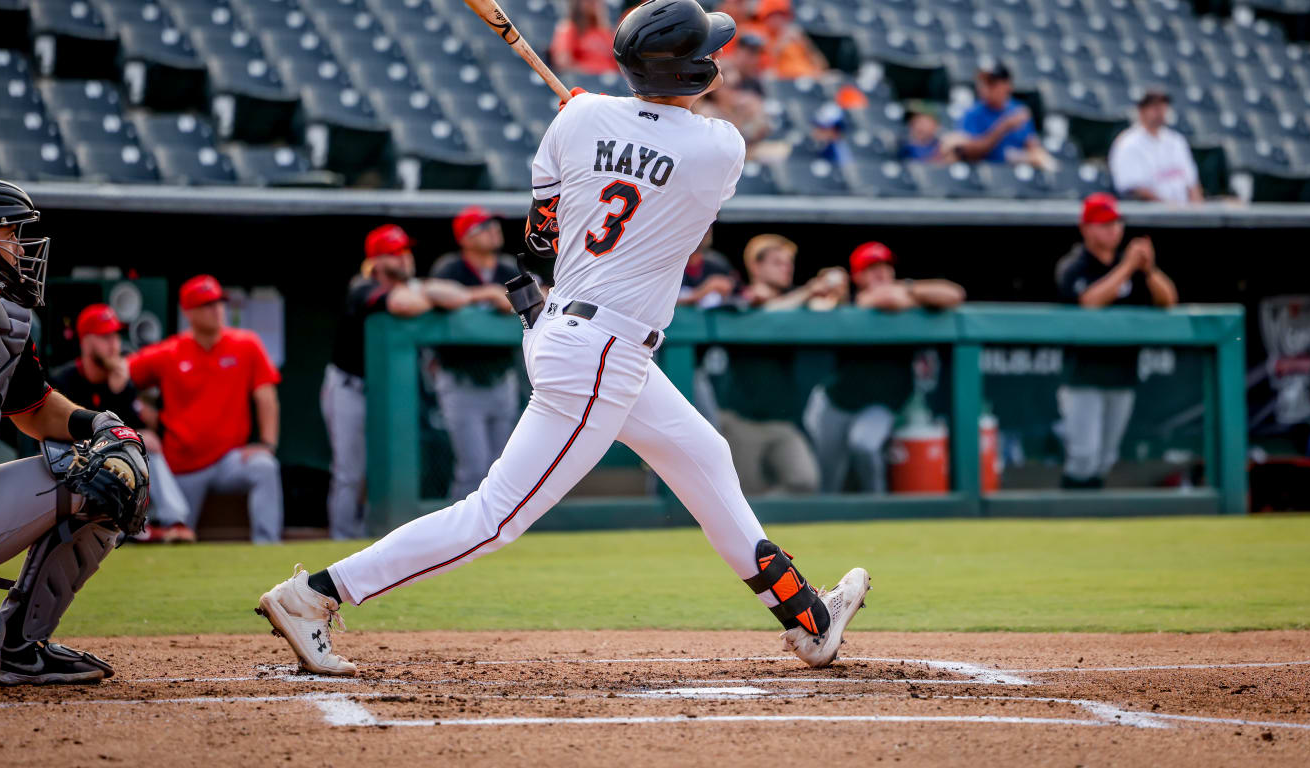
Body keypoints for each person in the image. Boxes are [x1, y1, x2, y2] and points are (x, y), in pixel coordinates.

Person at [258, 0, 868, 677]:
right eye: (708, 52)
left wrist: (589, 129)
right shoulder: (720, 145)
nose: (717, 58)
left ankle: (809, 621)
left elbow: (539, 240)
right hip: (601, 352)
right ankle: (315, 596)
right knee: (494, 516)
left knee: (705, 455)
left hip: (569, 329)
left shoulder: (579, 118)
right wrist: (603, 126)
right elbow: (662, 149)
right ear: (693, 71)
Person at [0, 178, 150, 692]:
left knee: (106, 479)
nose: (21, 249)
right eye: (9, 235)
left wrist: (101, 425)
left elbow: (34, 409)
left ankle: (21, 647)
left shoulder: (8, 323)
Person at [130, 275, 284, 543]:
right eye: (207, 304)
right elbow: (121, 376)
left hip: (229, 460)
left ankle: (268, 546)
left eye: (219, 303)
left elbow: (266, 396)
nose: (217, 310)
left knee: (265, 466)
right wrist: (140, 412)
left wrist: (267, 443)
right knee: (176, 537)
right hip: (183, 466)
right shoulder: (169, 352)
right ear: (188, 312)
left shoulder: (246, 344)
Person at [803, 242, 966, 493]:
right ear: (857, 276)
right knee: (828, 478)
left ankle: (876, 507)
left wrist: (908, 290)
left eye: (886, 266)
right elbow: (879, 298)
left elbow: (954, 294)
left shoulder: (908, 294)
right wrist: (899, 298)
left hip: (883, 403)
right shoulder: (847, 299)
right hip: (838, 401)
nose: (881, 272)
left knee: (864, 444)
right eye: (871, 268)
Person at [1053, 193, 1179, 489]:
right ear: (1086, 228)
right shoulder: (1075, 265)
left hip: (1122, 374)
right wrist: (1127, 267)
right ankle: (1069, 510)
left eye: (1116, 223)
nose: (1113, 230)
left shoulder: (1133, 266)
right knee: (1084, 457)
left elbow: (1168, 300)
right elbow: (1088, 301)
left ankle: (1092, 513)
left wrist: (1148, 269)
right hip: (1082, 376)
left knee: (1105, 458)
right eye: (1104, 224)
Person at [701, 234, 838, 496]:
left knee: (804, 481)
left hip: (783, 422)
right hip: (741, 421)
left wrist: (832, 292)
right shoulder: (741, 294)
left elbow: (820, 309)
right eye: (777, 262)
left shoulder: (797, 302)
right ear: (756, 266)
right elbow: (763, 310)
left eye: (789, 263)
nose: (786, 268)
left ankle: (765, 517)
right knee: (742, 494)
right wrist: (807, 291)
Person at [322, 224, 435, 539]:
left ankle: (377, 536)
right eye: (396, 253)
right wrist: (430, 296)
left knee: (386, 469)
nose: (405, 258)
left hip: (385, 394)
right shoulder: (361, 287)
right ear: (377, 261)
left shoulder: (411, 286)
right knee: (349, 472)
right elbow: (404, 304)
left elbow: (444, 296)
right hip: (350, 387)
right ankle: (341, 539)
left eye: (406, 251)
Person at [48, 303, 193, 541]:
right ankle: (142, 533)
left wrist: (119, 393)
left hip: (115, 464)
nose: (114, 344)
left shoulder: (120, 380)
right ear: (86, 341)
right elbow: (67, 434)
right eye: (105, 337)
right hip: (77, 465)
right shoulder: (64, 380)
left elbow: (138, 430)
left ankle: (174, 521)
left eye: (115, 336)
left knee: (147, 444)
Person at [423, 207, 523, 502]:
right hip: (460, 378)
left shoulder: (507, 268)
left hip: (501, 377)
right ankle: (458, 527)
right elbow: (433, 293)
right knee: (473, 469)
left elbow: (535, 298)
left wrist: (497, 296)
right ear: (465, 238)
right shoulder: (450, 268)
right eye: (484, 227)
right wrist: (490, 293)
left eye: (494, 225)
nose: (494, 230)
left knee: (503, 469)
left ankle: (500, 526)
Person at [945, 62, 1054, 169]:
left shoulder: (1018, 111)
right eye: (982, 83)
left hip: (1014, 174)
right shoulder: (972, 113)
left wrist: (1023, 157)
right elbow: (969, 152)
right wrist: (1004, 126)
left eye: (991, 83)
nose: (985, 88)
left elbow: (1033, 147)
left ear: (1007, 85)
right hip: (984, 174)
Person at [1107, 90, 1203, 204]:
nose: (1161, 111)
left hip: (1184, 210)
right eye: (1155, 107)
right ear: (1141, 111)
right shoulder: (1128, 143)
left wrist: (1197, 208)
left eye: (1163, 106)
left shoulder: (1177, 140)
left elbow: (1192, 183)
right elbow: (1135, 189)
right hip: (1150, 212)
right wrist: (1169, 208)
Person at [550, 0, 617, 76]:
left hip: (610, 79)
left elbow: (617, 63)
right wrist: (590, 71)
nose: (594, 3)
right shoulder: (569, 28)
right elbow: (563, 62)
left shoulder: (605, 32)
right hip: (583, 79)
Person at [677, 225, 738, 308]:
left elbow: (741, 292)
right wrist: (705, 290)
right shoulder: (671, 263)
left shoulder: (718, 263)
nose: (707, 230)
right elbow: (667, 300)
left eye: (709, 226)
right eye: (701, 225)